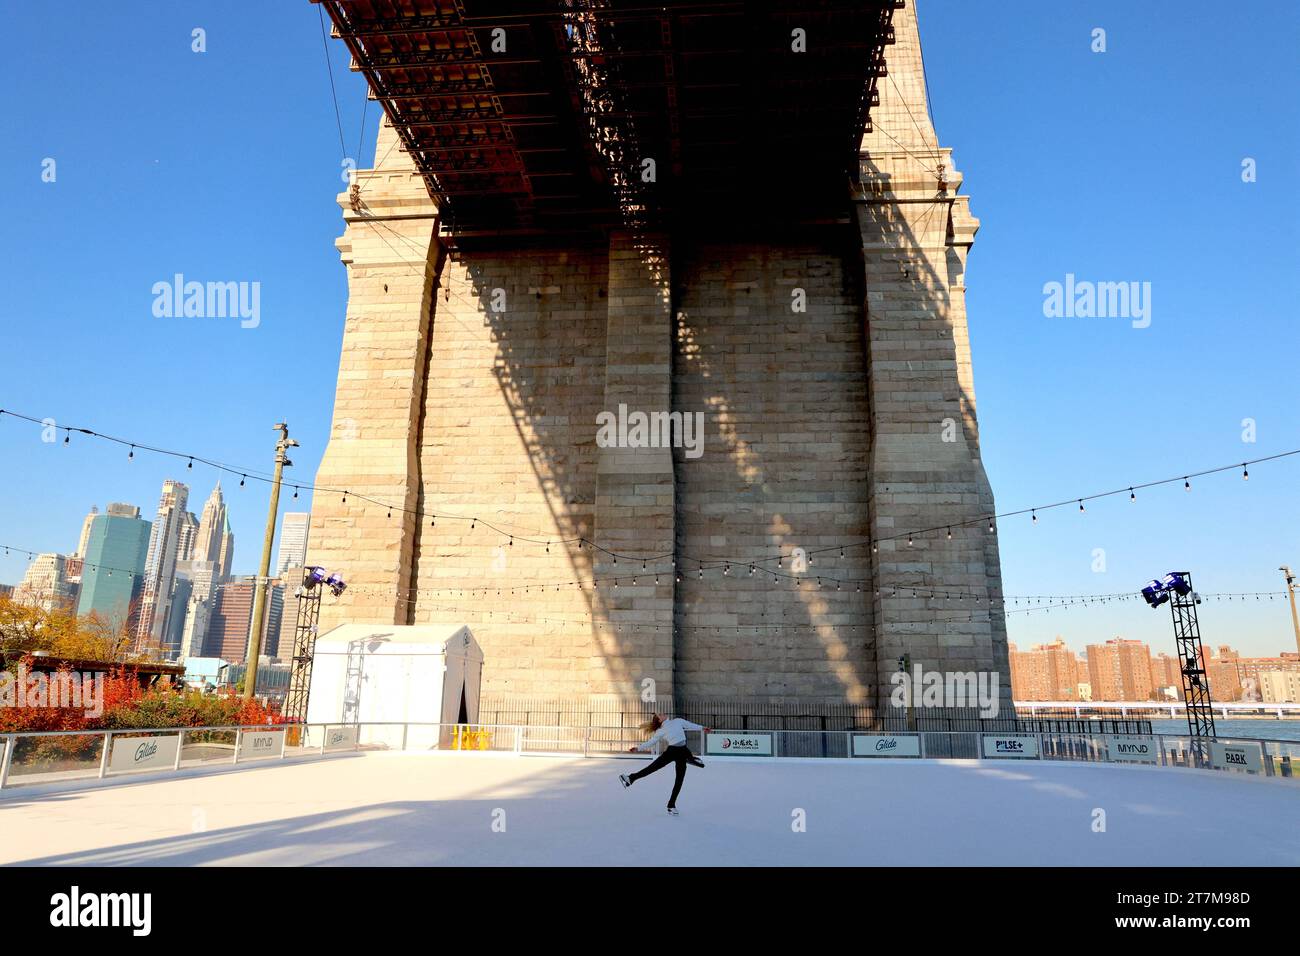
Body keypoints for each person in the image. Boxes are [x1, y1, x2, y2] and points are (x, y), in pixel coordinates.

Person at [619, 713, 709, 815]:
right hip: (672, 751)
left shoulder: (677, 721)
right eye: (660, 715)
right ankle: (630, 779)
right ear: (659, 720)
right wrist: (638, 748)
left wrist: (702, 728)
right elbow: (651, 742)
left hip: (682, 751)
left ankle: (671, 805)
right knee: (652, 768)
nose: (663, 714)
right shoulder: (661, 730)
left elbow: (689, 724)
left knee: (679, 780)